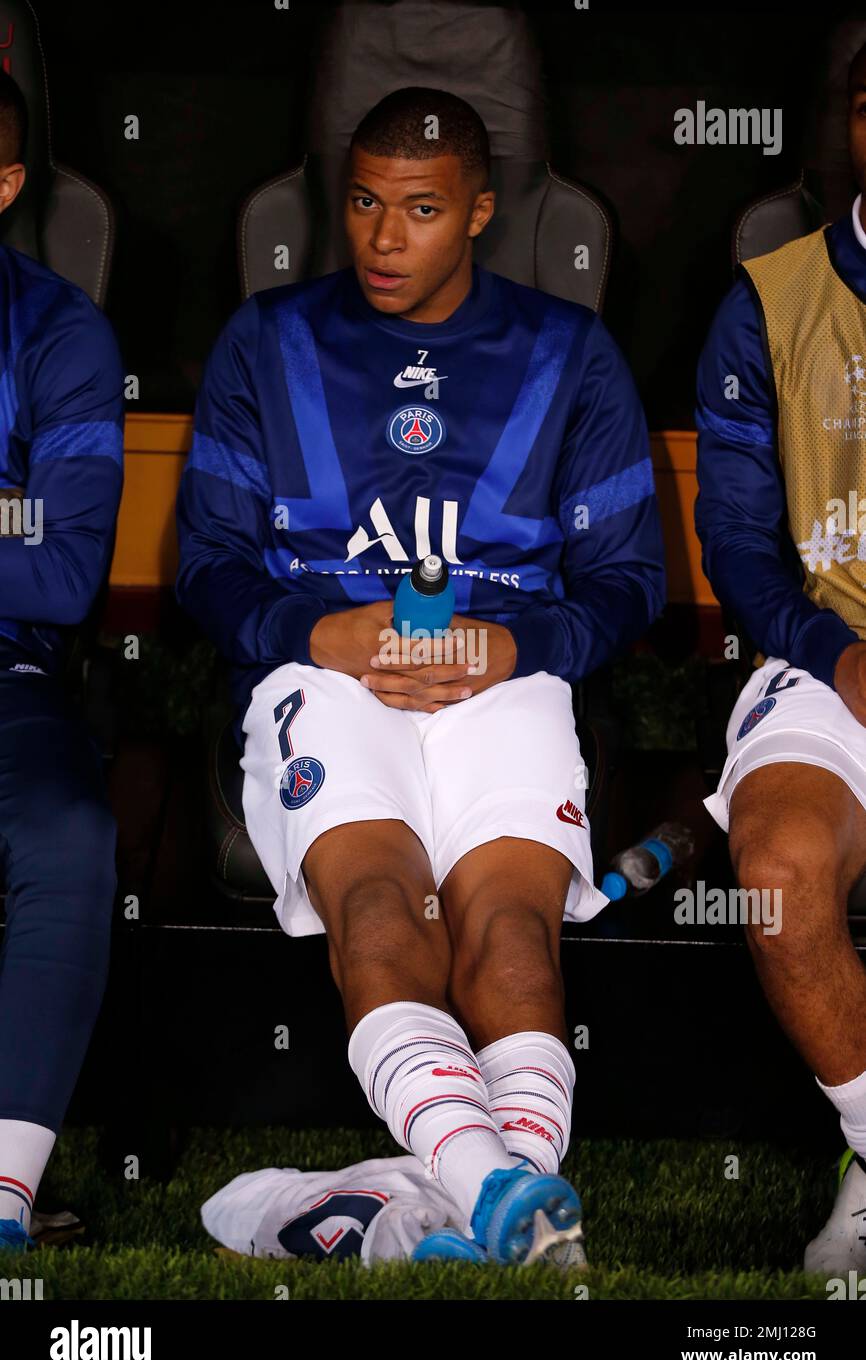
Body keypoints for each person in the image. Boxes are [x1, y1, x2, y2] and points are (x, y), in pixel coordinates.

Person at [177, 86, 665, 1264]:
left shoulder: (566, 351)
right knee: (381, 910)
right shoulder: (267, 338)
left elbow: (629, 579)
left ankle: (449, 1199)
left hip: (501, 674)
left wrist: (515, 645)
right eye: (361, 203)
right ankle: (507, 1200)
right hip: (329, 674)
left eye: (420, 211)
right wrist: (318, 631)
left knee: (508, 935)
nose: (382, 239)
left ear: (481, 213)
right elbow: (205, 566)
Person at [696, 41, 866, 1276]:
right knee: (776, 875)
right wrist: (838, 652)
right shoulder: (768, 296)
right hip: (829, 655)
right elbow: (737, 547)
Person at [0, 72, 124, 1251]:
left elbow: (61, 570)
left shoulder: (58, 332)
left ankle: (1, 1196)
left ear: (5, 184)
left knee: (71, 836)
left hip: (8, 675)